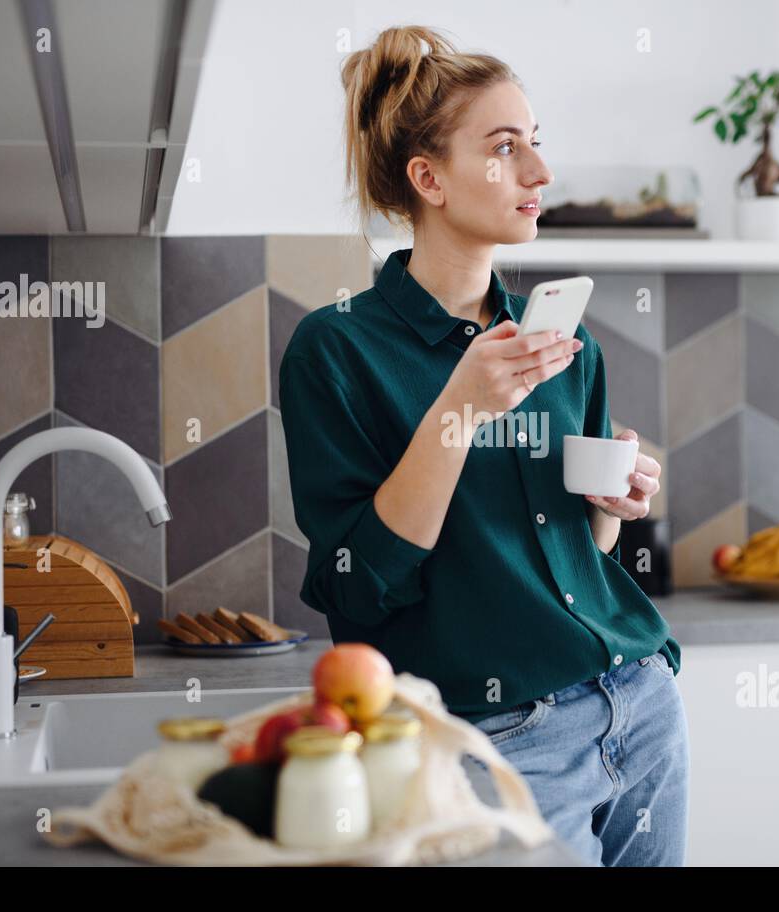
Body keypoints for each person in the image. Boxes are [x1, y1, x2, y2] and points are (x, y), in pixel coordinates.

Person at [277, 25, 688, 866]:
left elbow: (585, 557)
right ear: (427, 178)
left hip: (641, 704)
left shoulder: (563, 342)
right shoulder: (337, 349)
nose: (540, 172)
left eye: (536, 141)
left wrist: (610, 508)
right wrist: (459, 410)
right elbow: (355, 589)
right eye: (505, 148)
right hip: (495, 741)